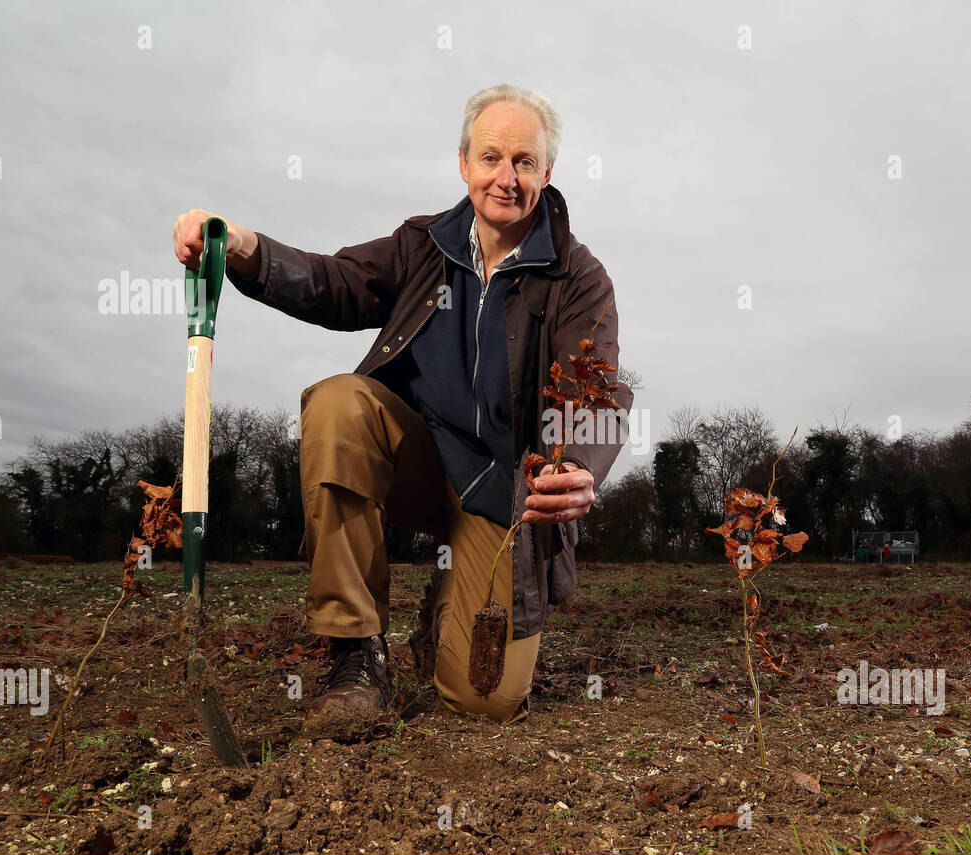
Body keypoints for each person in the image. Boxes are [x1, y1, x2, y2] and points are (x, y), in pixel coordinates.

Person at [171, 84, 632, 725]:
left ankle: (446, 611)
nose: (506, 178)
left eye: (524, 162)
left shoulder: (578, 278)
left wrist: (578, 462)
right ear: (464, 164)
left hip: (503, 490)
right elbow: (333, 284)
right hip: (415, 461)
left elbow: (597, 387)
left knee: (484, 700)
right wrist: (247, 248)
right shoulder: (421, 246)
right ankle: (356, 654)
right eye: (491, 158)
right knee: (339, 405)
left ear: (547, 173)